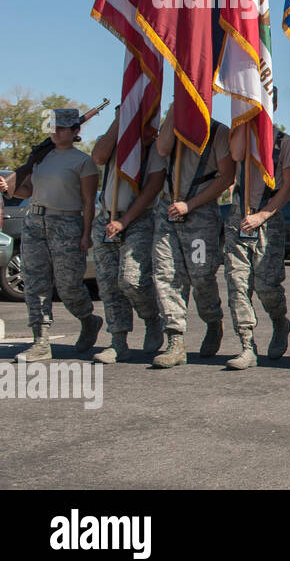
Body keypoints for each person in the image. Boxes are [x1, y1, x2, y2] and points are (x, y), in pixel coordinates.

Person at [4, 108, 101, 361]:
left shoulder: (83, 161)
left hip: (67, 223)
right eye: (53, 127)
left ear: (75, 131)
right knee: (34, 282)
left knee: (68, 286)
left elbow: (89, 202)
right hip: (34, 221)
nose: (55, 132)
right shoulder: (40, 159)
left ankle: (88, 320)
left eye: (62, 128)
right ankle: (41, 341)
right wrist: (9, 187)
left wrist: (86, 233)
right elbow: (27, 191)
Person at [148, 107, 237, 368]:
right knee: (166, 274)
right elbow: (162, 150)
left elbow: (226, 177)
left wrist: (191, 204)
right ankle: (175, 340)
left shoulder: (219, 132)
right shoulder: (173, 124)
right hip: (167, 212)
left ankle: (212, 320)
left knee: (200, 274)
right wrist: (176, 109)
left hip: (199, 214)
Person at [222, 110, 290, 371]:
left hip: (267, 220)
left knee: (266, 286)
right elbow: (234, 156)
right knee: (237, 284)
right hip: (238, 218)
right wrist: (242, 124)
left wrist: (262, 216)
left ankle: (280, 322)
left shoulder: (284, 142)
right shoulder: (241, 136)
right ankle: (247, 346)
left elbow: (288, 186)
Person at [89, 107, 165, 363]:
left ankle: (151, 317)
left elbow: (153, 187)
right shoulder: (115, 143)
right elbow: (98, 157)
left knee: (131, 280)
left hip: (137, 219)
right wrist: (118, 122)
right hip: (106, 218)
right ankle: (118, 341)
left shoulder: (153, 148)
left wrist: (125, 220)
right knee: (109, 285)